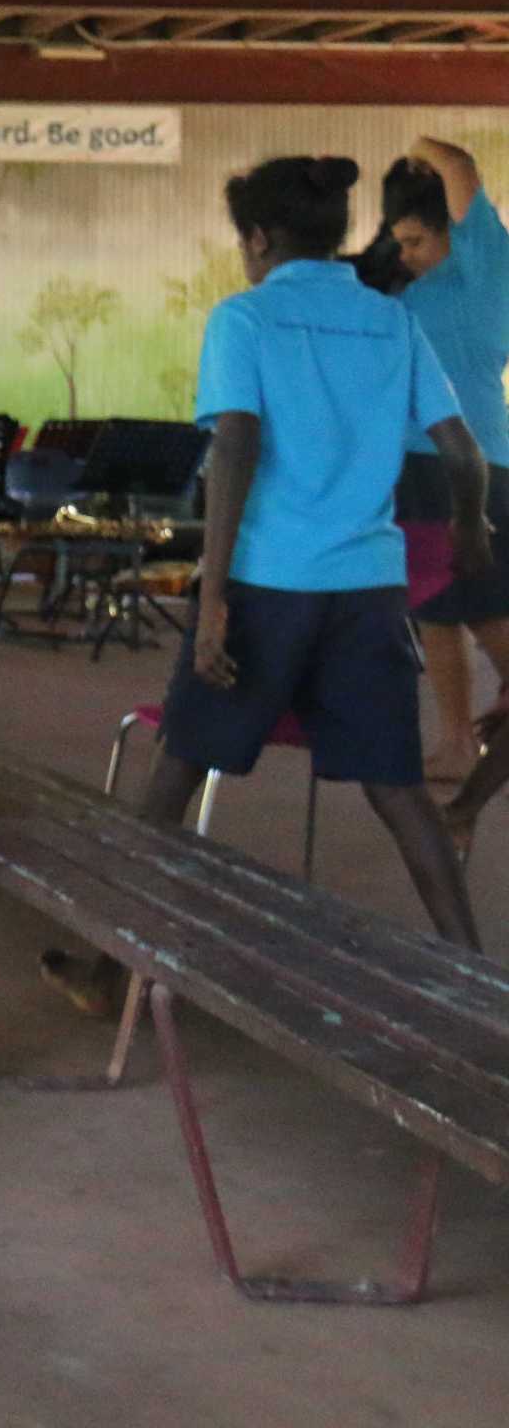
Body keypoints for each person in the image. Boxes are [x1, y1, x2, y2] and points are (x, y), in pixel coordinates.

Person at [83, 158, 486, 978]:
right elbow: (462, 452)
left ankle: (107, 970)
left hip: (269, 586)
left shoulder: (246, 320)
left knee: (176, 776)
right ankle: (479, 978)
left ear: (259, 238)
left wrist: (216, 593)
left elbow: (236, 443)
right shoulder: (390, 322)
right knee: (398, 788)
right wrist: (471, 528)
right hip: (367, 594)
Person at [376, 140, 509, 851]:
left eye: (419, 240)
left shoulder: (485, 262)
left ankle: (476, 741)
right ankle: (457, 743)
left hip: (464, 463)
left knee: (485, 612)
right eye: (400, 241)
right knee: (436, 612)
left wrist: (420, 148)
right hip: (417, 460)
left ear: (459, 229)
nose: (410, 254)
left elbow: (459, 168)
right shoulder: (406, 288)